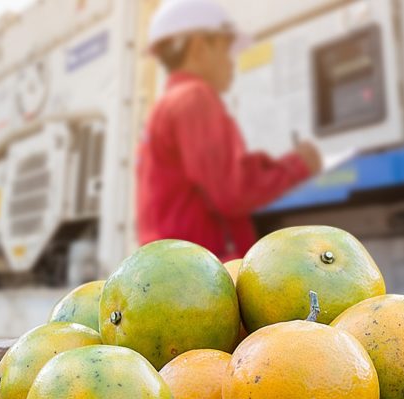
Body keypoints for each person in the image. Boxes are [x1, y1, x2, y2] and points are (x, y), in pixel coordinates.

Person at [137, 0, 322, 260]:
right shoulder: (195, 98)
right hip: (205, 271)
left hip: (172, 266)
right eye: (225, 51)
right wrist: (298, 165)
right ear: (200, 47)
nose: (231, 63)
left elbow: (215, 176)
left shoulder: (165, 106)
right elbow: (231, 191)